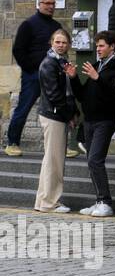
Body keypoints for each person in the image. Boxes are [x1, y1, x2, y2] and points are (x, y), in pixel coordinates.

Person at [71, 30, 115, 217]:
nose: (98, 49)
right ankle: (99, 201)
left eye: (102, 46)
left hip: (105, 120)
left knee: (95, 159)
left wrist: (98, 78)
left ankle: (105, 202)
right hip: (90, 120)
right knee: (91, 161)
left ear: (112, 47)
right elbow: (83, 95)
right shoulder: (97, 66)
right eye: (97, 46)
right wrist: (73, 78)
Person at [5, 0, 63, 156]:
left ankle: (59, 146)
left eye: (53, 3)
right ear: (39, 4)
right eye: (47, 3)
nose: (51, 6)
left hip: (52, 75)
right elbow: (18, 50)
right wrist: (31, 69)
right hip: (33, 76)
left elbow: (60, 49)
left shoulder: (57, 26)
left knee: (58, 109)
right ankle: (12, 143)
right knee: (23, 109)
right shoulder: (28, 24)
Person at [33, 28, 77, 214]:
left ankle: (43, 201)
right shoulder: (49, 64)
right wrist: (69, 116)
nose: (61, 45)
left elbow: (68, 92)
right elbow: (55, 95)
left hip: (56, 114)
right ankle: (50, 203)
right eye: (57, 42)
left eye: (64, 42)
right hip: (53, 115)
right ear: (51, 43)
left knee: (51, 160)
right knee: (54, 161)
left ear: (68, 45)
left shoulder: (61, 62)